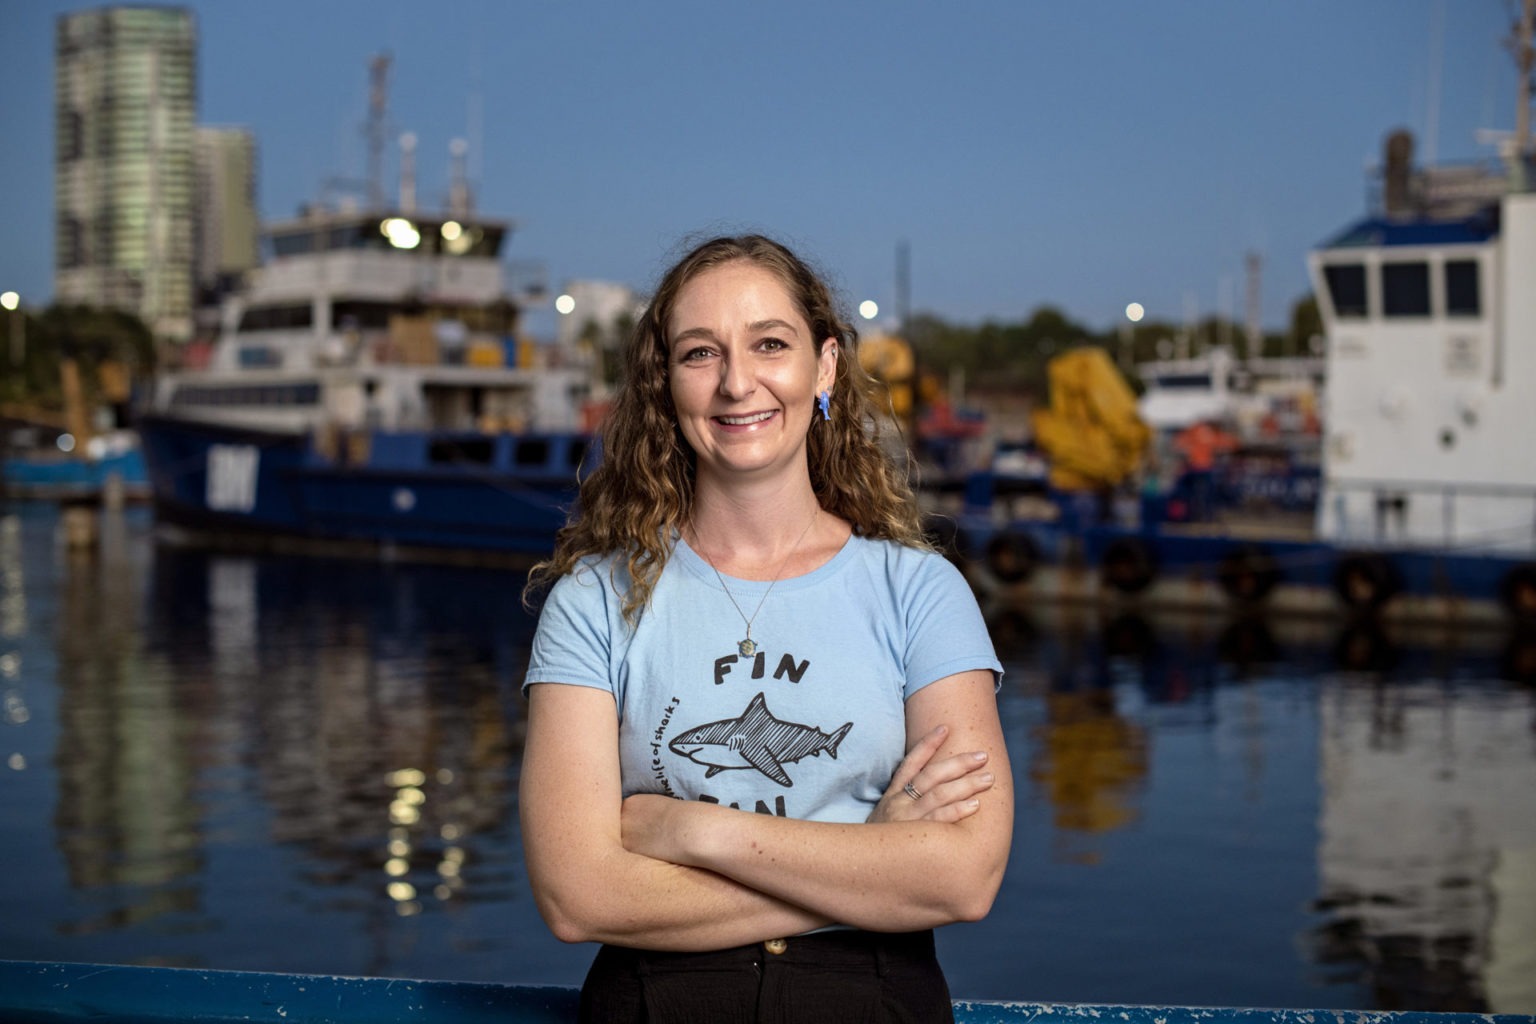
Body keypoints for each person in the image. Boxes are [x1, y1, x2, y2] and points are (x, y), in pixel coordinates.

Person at [520, 234, 1012, 1023]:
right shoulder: (594, 600)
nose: (737, 383)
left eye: (769, 345)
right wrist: (873, 861)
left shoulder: (921, 592)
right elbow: (577, 897)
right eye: (700, 353)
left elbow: (964, 879)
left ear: (823, 369)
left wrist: (687, 830)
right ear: (665, 383)